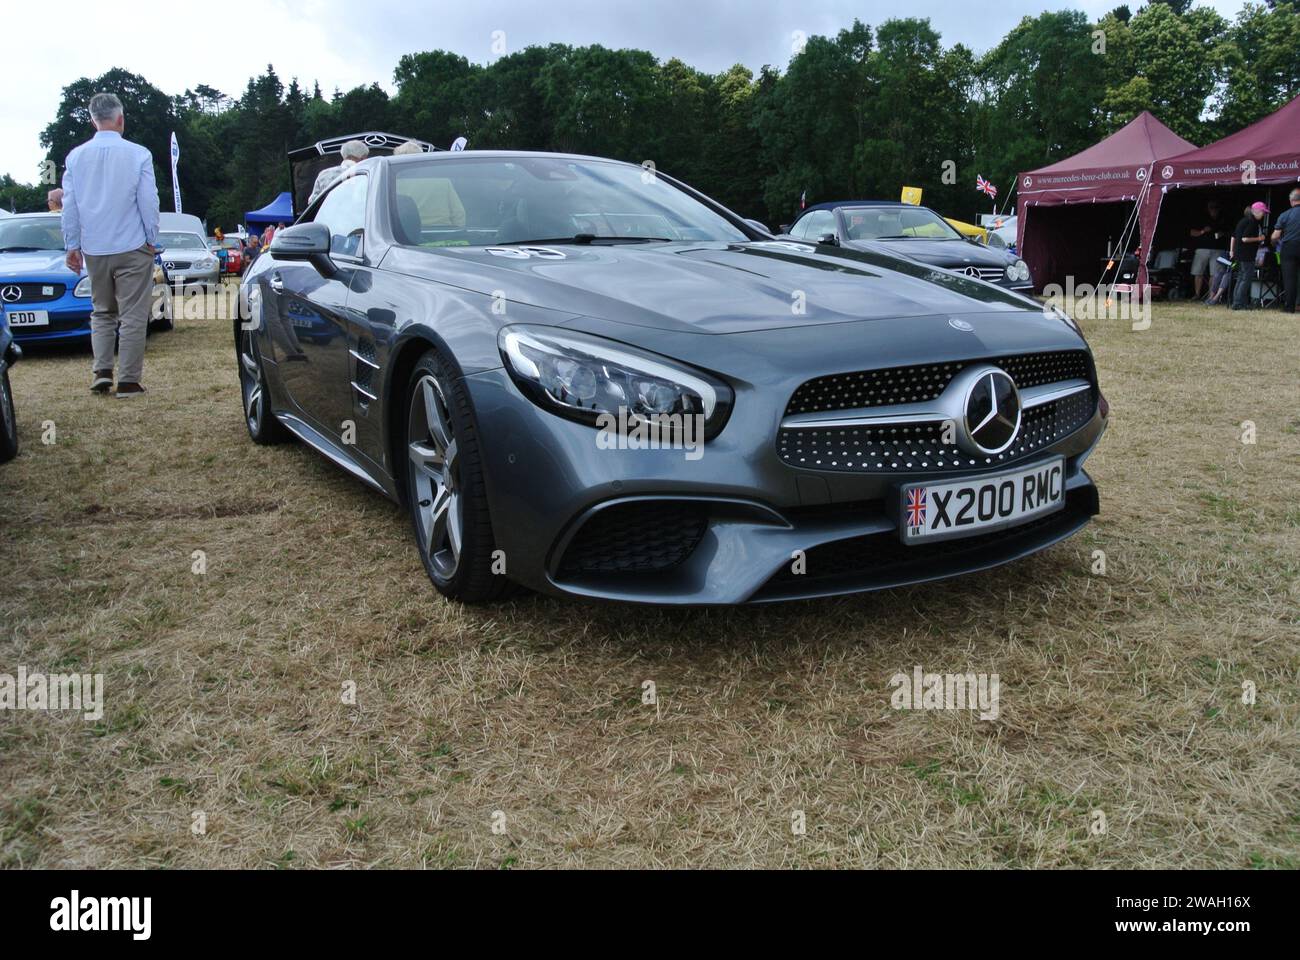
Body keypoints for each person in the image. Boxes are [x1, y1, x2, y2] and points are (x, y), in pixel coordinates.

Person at [61, 92, 160, 398]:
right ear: (120, 119)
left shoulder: (75, 157)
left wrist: (72, 245)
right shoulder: (139, 154)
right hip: (132, 245)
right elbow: (148, 200)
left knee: (101, 311)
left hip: (94, 247)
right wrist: (151, 239)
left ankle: (102, 370)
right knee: (132, 313)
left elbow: (70, 206)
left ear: (93, 120)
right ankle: (129, 380)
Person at [1230, 202, 1269, 310]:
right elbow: (1245, 238)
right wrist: (1259, 239)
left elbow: (1234, 237)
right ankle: (1239, 303)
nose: (1263, 215)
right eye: (1263, 212)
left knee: (1240, 278)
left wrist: (1231, 251)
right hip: (1247, 254)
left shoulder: (1242, 221)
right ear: (1256, 211)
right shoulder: (1253, 222)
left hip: (1239, 253)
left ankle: (1236, 302)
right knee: (1246, 279)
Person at [1189, 199, 1230, 299]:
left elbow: (1232, 233)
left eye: (1216, 207)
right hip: (1202, 249)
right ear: (1207, 208)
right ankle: (1197, 294)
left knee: (1215, 274)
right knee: (1198, 272)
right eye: (1211, 207)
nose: (1214, 209)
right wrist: (1203, 231)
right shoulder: (1201, 218)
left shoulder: (1223, 219)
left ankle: (1210, 296)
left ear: (1219, 209)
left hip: (1218, 249)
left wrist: (1223, 233)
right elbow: (1192, 232)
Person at [308, 139, 368, 205]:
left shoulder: (323, 174)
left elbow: (312, 202)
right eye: (365, 158)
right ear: (362, 158)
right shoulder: (365, 174)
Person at [1270, 188, 1300, 313]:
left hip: (1289, 248)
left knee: (1289, 279)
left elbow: (1275, 236)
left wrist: (1273, 243)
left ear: (1292, 200)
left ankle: (1289, 307)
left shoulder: (1285, 214)